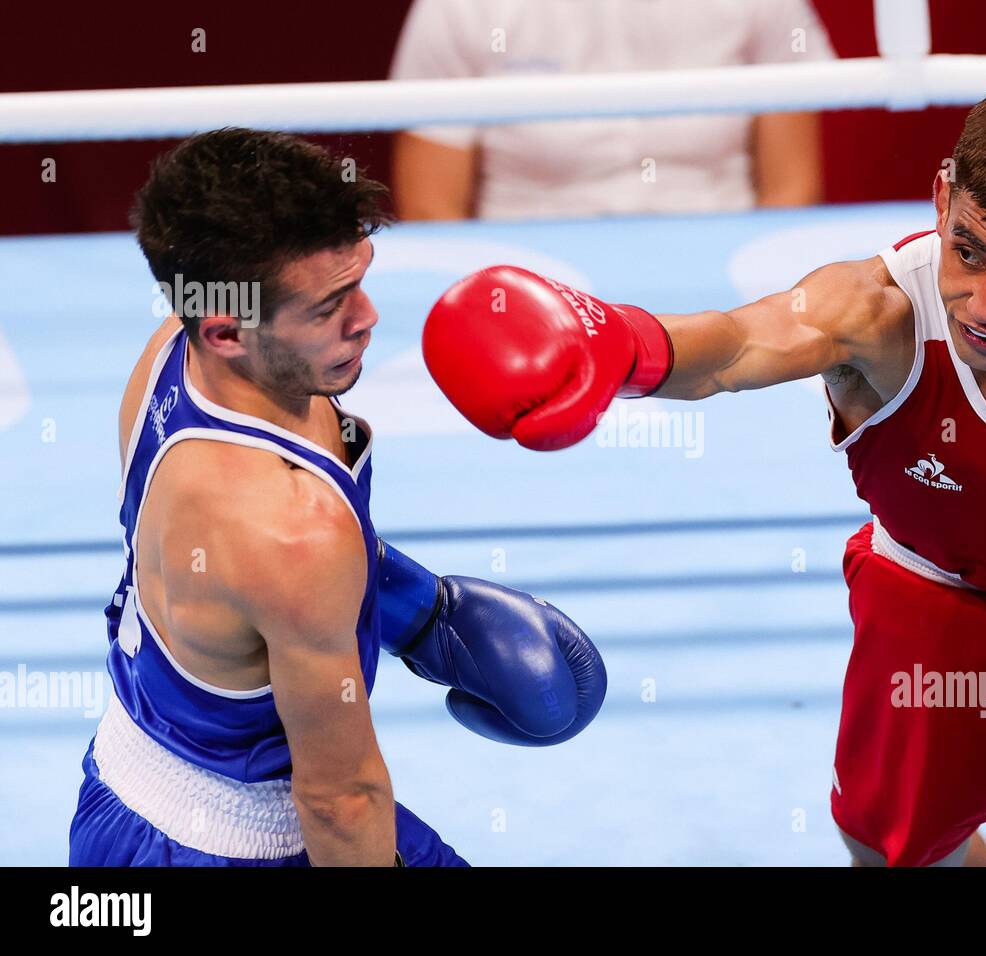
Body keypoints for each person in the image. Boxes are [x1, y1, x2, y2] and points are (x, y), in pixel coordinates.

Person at [422, 77, 986, 866]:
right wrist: (616, 345)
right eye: (967, 251)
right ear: (941, 200)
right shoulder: (876, 315)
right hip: (932, 619)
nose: (985, 302)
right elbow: (735, 345)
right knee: (892, 854)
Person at [68, 128, 606, 867]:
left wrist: (423, 615)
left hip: (131, 777)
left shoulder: (178, 346)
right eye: (329, 306)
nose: (368, 317)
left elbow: (250, 590)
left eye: (359, 279)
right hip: (236, 844)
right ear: (227, 330)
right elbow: (339, 798)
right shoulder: (288, 528)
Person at [389, 0, 834, 220]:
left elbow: (791, 188)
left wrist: (759, 302)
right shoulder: (459, 9)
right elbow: (431, 209)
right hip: (524, 280)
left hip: (722, 272)